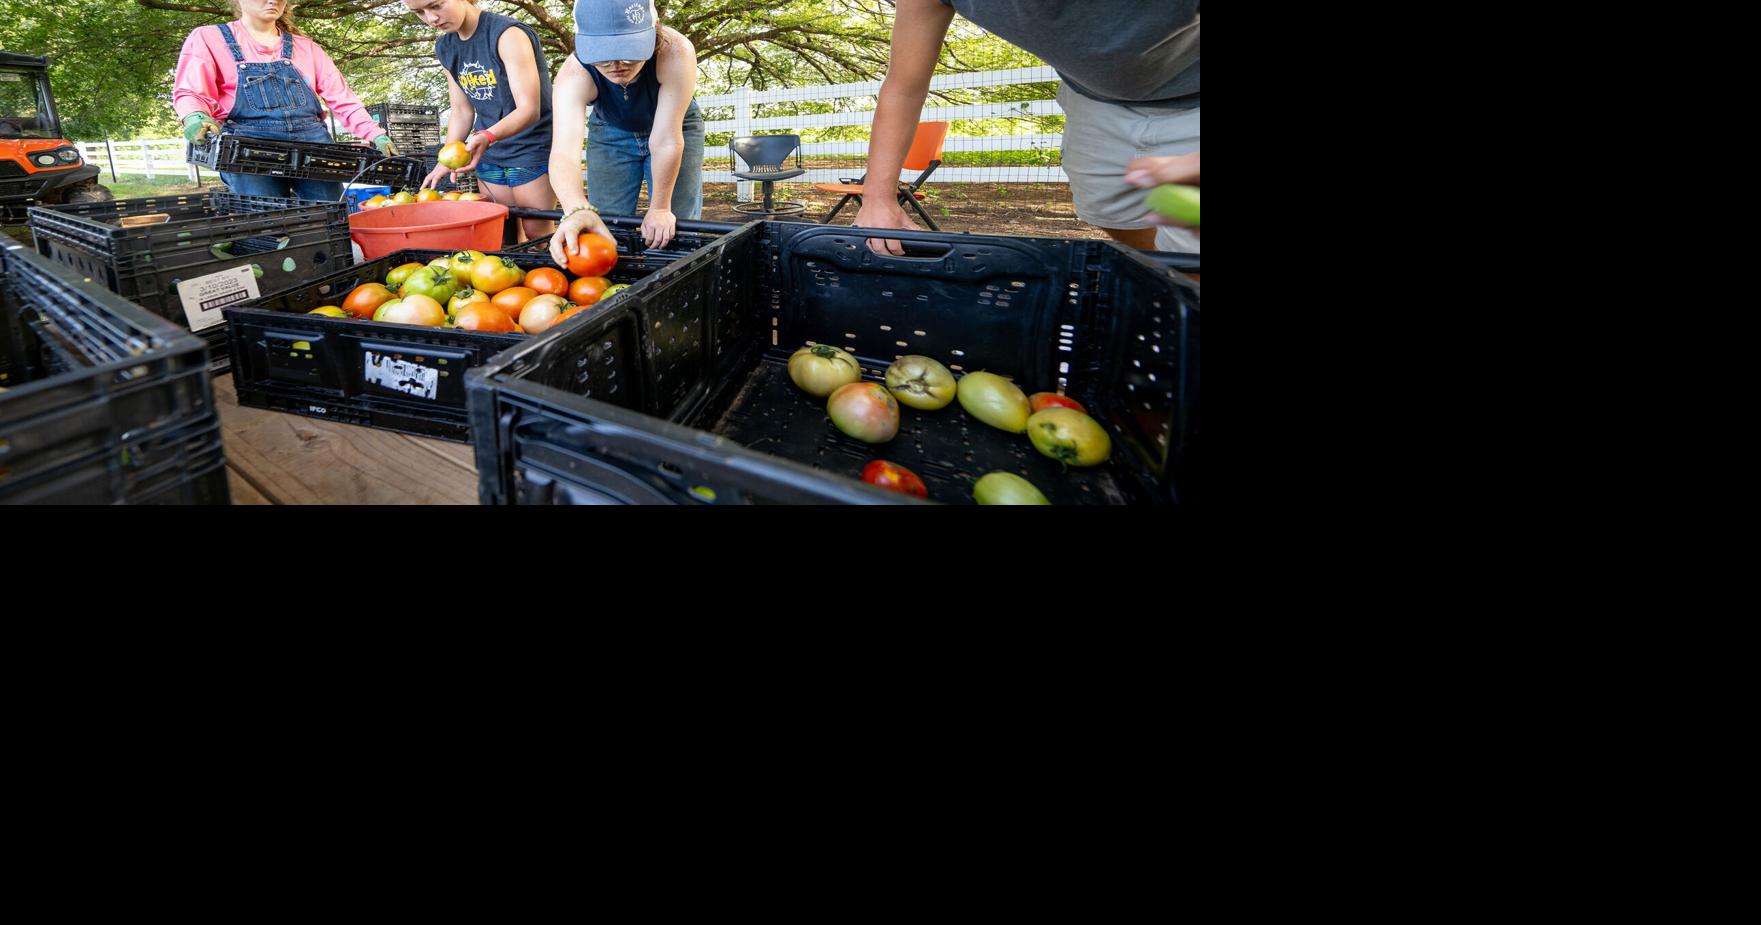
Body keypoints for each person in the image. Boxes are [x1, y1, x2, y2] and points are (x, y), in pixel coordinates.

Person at [855, 0, 1200, 255]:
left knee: (1190, 254)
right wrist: (878, 198)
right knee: (1115, 214)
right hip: (1094, 100)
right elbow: (903, 86)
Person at [173, 0, 396, 201]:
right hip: (248, 148)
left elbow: (342, 99)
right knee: (265, 221)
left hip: (313, 146)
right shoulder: (209, 38)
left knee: (328, 217)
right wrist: (194, 115)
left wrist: (375, 133)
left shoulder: (307, 47)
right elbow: (191, 90)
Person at [548, 0, 704, 263]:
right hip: (610, 129)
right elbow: (563, 152)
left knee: (676, 224)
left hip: (673, 126)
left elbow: (665, 140)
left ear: (655, 29)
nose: (616, 63)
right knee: (607, 223)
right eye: (601, 53)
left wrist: (660, 207)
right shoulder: (573, 73)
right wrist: (576, 208)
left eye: (628, 50)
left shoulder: (676, 51)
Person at [408, 0, 557, 242]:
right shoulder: (445, 46)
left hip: (530, 148)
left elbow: (529, 109)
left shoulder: (508, 34)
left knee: (537, 234)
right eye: (419, 13)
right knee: (503, 232)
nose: (431, 18)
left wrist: (487, 136)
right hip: (487, 153)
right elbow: (461, 110)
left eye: (436, 5)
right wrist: (447, 155)